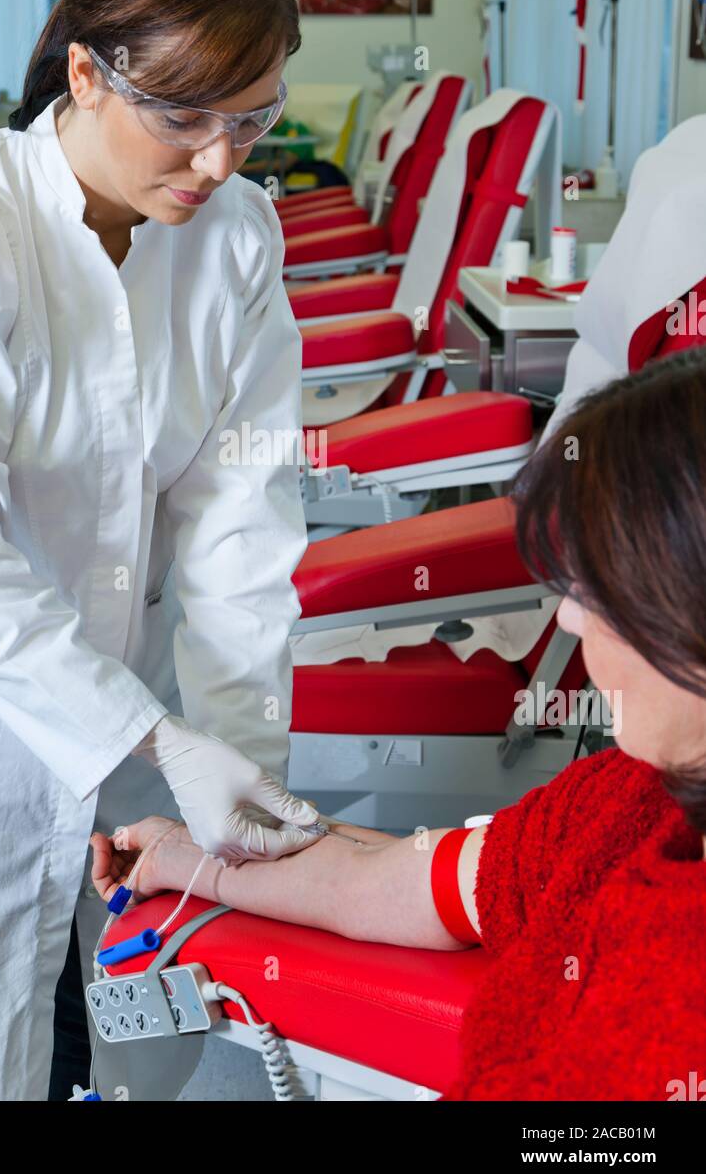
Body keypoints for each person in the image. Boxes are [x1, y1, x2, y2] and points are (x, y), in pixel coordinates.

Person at [0, 0, 324, 1103]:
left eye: (254, 119)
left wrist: (236, 779)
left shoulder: (238, 238)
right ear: (87, 73)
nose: (219, 160)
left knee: (130, 1055)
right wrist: (145, 734)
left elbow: (237, 528)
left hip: (151, 741)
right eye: (186, 119)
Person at [93, 347, 706, 1101]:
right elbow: (385, 881)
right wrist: (184, 859)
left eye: (602, 590)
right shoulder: (623, 805)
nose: (572, 620)